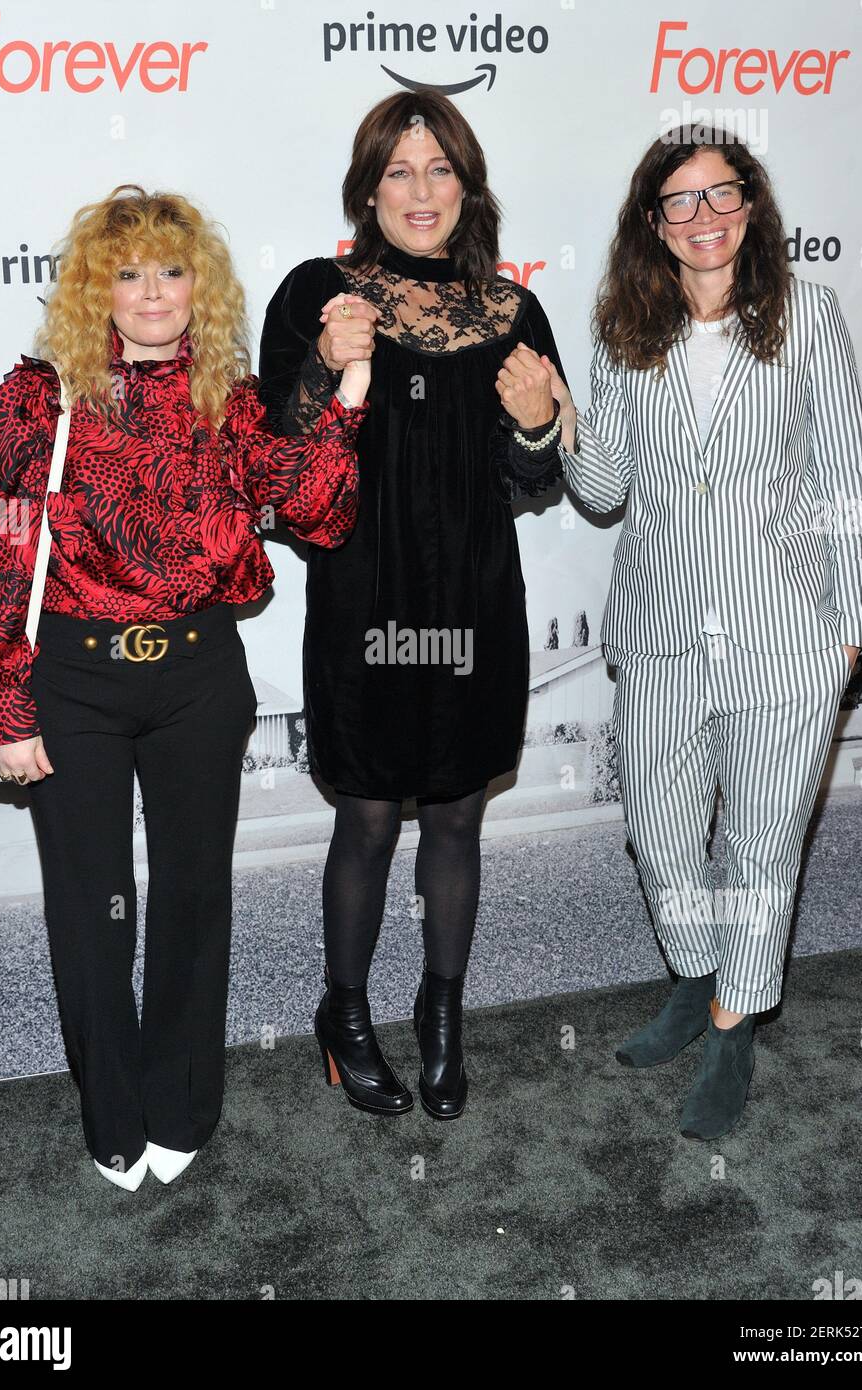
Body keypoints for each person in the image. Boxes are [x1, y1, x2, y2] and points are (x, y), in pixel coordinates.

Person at [0, 185, 369, 1188]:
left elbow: (316, 512)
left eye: (169, 271)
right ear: (94, 285)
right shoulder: (32, 400)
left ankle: (183, 1101)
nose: (149, 291)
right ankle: (113, 1113)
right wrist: (4, 702)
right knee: (93, 905)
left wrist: (346, 394)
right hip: (73, 682)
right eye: (126, 271)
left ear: (199, 286)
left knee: (192, 894)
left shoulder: (231, 395)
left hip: (198, 674)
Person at [542, 127, 862, 1139]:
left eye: (718, 194)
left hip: (786, 636)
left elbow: (845, 479)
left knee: (761, 843)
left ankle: (732, 1019)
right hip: (657, 631)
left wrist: (847, 633)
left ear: (750, 203)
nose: (701, 217)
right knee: (656, 827)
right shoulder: (621, 329)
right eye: (677, 202)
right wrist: (553, 414)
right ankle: (695, 975)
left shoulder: (804, 314)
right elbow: (602, 492)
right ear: (652, 223)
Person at [258, 91, 566, 1119]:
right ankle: (342, 1014)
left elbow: (527, 485)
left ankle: (441, 1013)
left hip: (476, 599)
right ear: (367, 188)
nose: (419, 190)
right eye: (398, 170)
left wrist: (531, 431)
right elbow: (279, 473)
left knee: (456, 817)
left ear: (466, 186)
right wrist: (324, 363)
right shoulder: (318, 292)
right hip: (361, 599)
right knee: (369, 817)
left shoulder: (512, 311)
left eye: (438, 170)